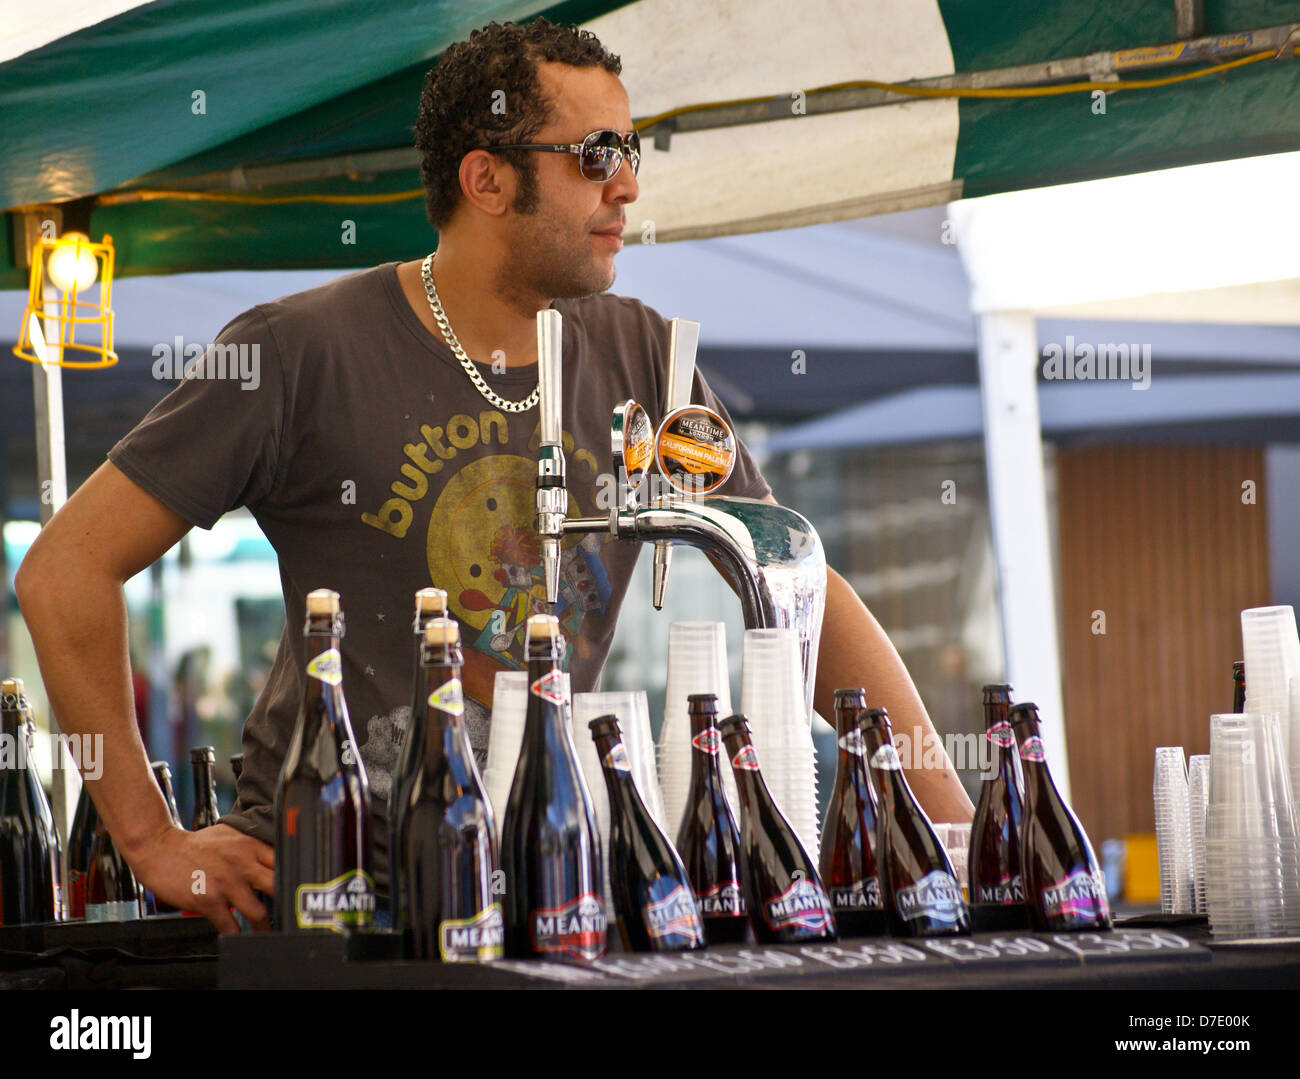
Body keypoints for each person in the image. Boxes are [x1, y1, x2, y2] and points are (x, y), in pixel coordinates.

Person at [14, 19, 971, 934]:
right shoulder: (296, 351)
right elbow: (64, 573)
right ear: (487, 179)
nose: (629, 186)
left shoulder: (643, 354)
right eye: (596, 154)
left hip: (552, 876)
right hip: (335, 892)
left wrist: (952, 825)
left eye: (637, 151)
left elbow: (794, 582)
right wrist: (150, 837)